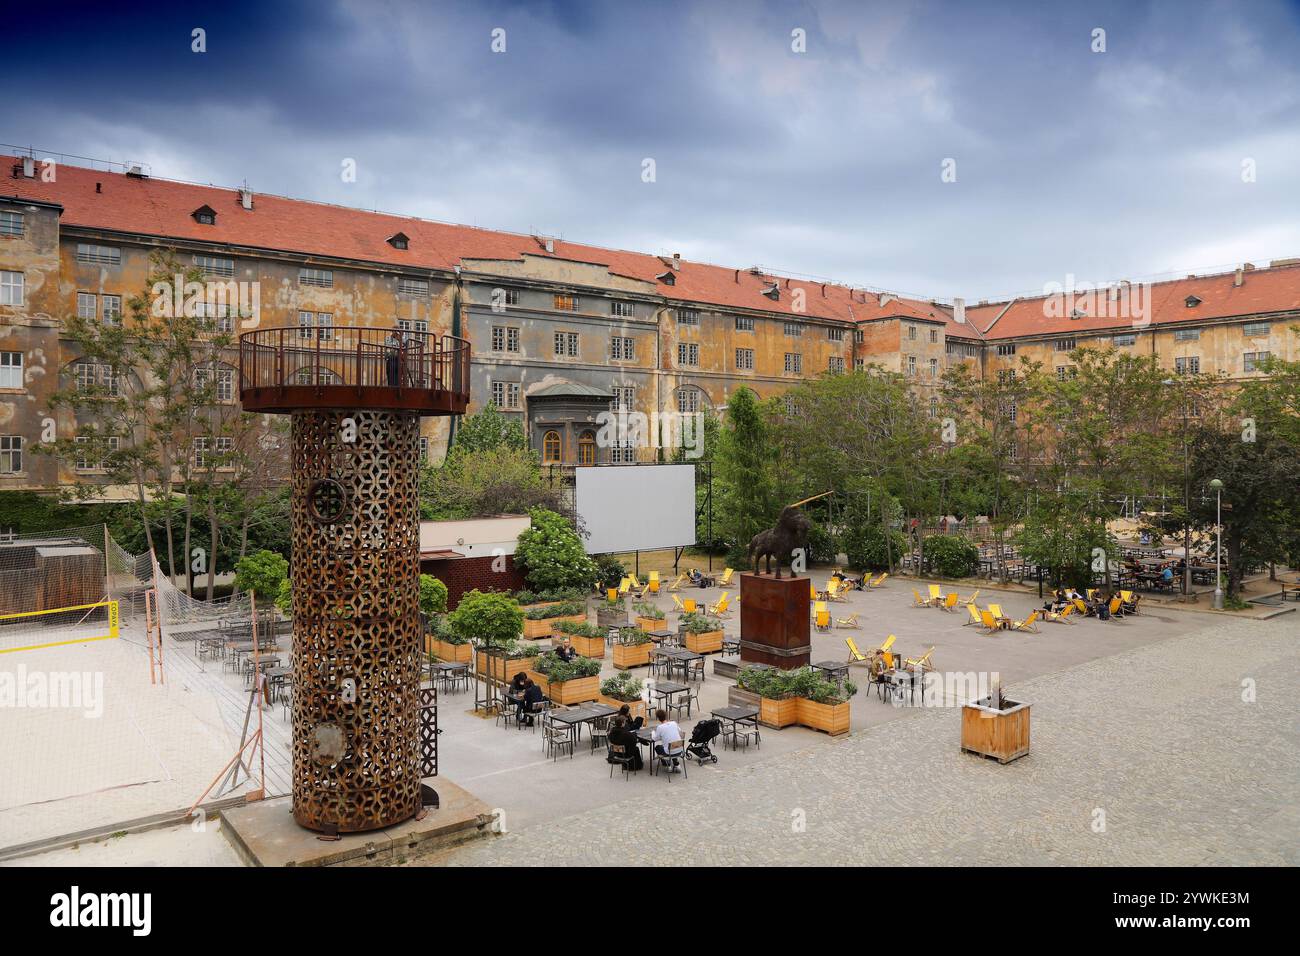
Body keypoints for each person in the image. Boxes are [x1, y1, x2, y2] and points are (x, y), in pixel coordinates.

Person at [651, 708, 683, 772]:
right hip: (680, 750)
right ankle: (676, 764)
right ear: (666, 716)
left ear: (658, 718)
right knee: (672, 745)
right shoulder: (674, 723)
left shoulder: (660, 727)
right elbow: (680, 732)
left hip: (668, 752)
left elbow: (654, 738)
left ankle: (667, 765)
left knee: (658, 747)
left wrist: (653, 733)